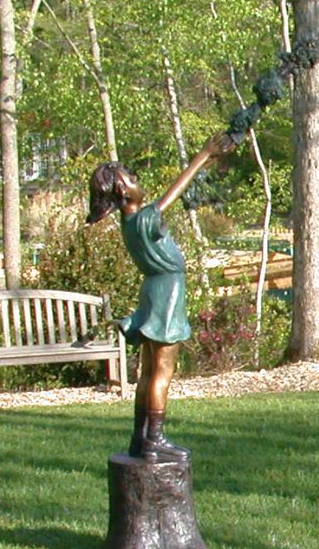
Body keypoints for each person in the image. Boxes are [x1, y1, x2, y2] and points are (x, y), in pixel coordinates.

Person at [87, 132, 235, 461]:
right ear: (123, 191)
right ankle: (155, 438)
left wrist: (213, 156)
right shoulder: (142, 219)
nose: (138, 181)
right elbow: (173, 194)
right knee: (162, 371)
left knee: (148, 371)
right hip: (166, 293)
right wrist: (202, 153)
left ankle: (140, 438)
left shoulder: (130, 223)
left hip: (154, 292)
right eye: (132, 178)